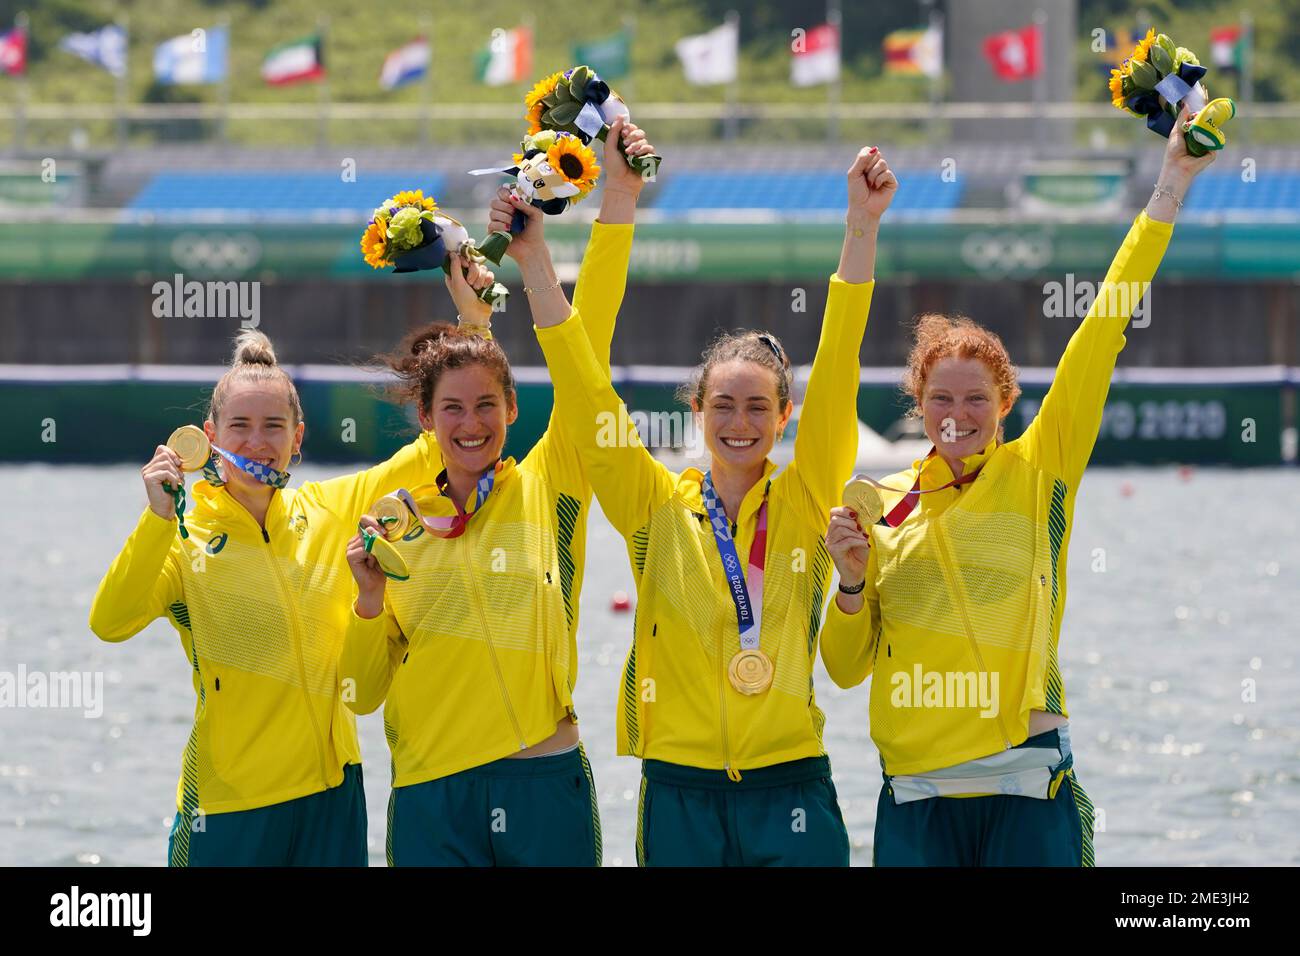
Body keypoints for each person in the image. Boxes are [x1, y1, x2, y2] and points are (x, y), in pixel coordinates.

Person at [818, 107, 1216, 866]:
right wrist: (849, 583)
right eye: (941, 399)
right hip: (916, 797)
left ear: (1006, 403)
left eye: (975, 399)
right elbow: (842, 668)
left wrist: (1172, 180)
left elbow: (1104, 323)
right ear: (918, 404)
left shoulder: (1041, 469)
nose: (957, 415)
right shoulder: (882, 503)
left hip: (1030, 789)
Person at [520, 146, 896, 865]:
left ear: (785, 416)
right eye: (722, 405)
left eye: (759, 407)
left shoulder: (809, 492)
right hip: (680, 791)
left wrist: (860, 226)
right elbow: (585, 388)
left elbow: (841, 357)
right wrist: (537, 261)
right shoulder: (652, 505)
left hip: (790, 789)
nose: (740, 423)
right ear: (697, 410)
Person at [87, 257, 498, 866]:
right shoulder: (181, 535)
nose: (257, 441)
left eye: (274, 425)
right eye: (241, 426)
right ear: (209, 434)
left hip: (334, 798)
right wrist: (154, 520)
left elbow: (434, 443)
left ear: (297, 438)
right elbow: (109, 622)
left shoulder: (329, 510)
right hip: (229, 810)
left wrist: (476, 321)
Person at [341, 119, 656, 866]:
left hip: (542, 781)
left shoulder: (555, 478)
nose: (472, 423)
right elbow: (358, 692)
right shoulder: (397, 520)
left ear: (514, 410)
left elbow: (592, 343)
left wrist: (618, 194)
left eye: (488, 405)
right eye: (452, 408)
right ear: (425, 419)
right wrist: (366, 601)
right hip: (430, 792)